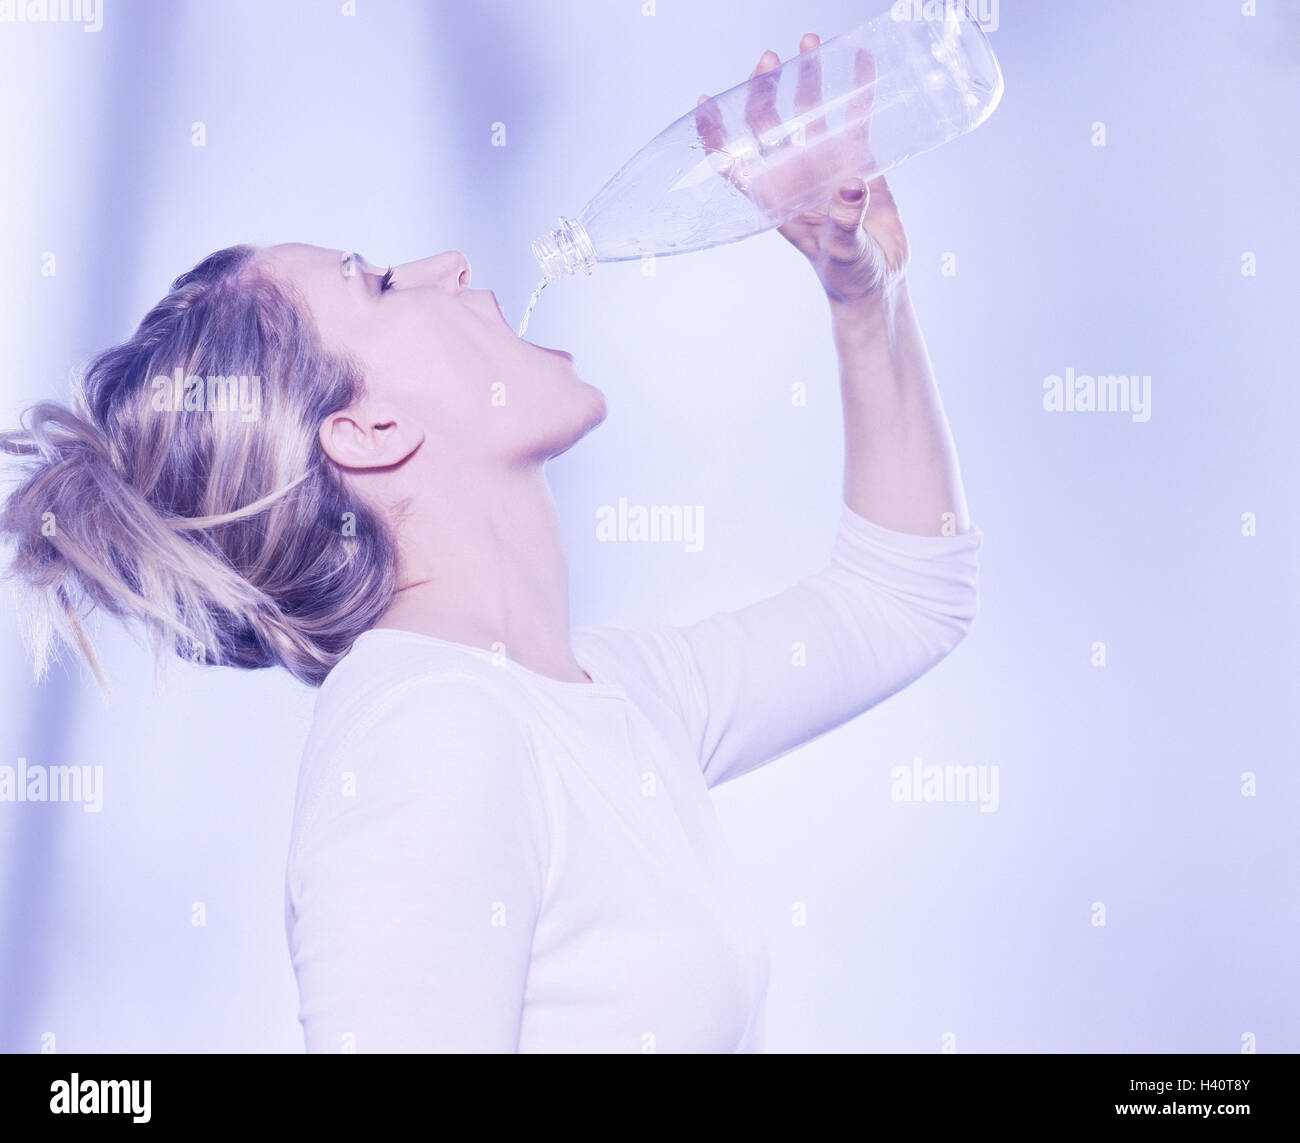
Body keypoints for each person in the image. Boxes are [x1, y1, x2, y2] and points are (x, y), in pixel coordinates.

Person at [0, 34, 981, 1051]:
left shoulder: (599, 697)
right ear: (367, 431)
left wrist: (864, 296)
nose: (450, 266)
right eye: (378, 285)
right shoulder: (421, 736)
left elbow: (904, 601)